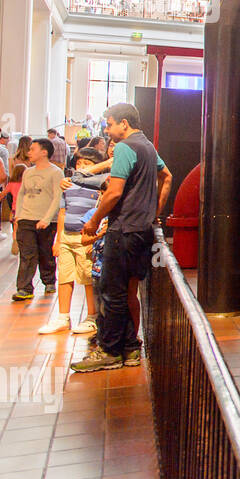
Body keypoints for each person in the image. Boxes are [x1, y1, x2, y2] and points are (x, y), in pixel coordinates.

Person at [73, 103, 172, 373]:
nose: (107, 129)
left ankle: (109, 350)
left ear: (124, 124)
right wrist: (155, 211)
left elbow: (114, 192)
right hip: (142, 230)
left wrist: (94, 221)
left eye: (109, 124)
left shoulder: (127, 147)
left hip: (123, 230)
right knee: (129, 292)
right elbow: (167, 177)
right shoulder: (148, 147)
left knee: (111, 292)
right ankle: (129, 348)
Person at [40, 148, 105, 335]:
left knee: (87, 277)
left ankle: (92, 316)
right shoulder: (68, 185)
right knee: (64, 276)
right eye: (79, 164)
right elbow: (62, 212)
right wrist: (58, 239)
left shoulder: (99, 187)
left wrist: (94, 238)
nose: (81, 167)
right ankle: (63, 316)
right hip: (67, 236)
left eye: (87, 164)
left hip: (85, 237)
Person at [12, 138, 62, 302]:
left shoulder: (55, 172)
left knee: (45, 252)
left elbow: (57, 197)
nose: (29, 153)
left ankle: (49, 280)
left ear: (44, 152)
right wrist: (18, 216)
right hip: (27, 217)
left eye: (32, 149)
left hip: (46, 220)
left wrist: (47, 218)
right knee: (27, 253)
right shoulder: (27, 171)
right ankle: (24, 288)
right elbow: (21, 194)